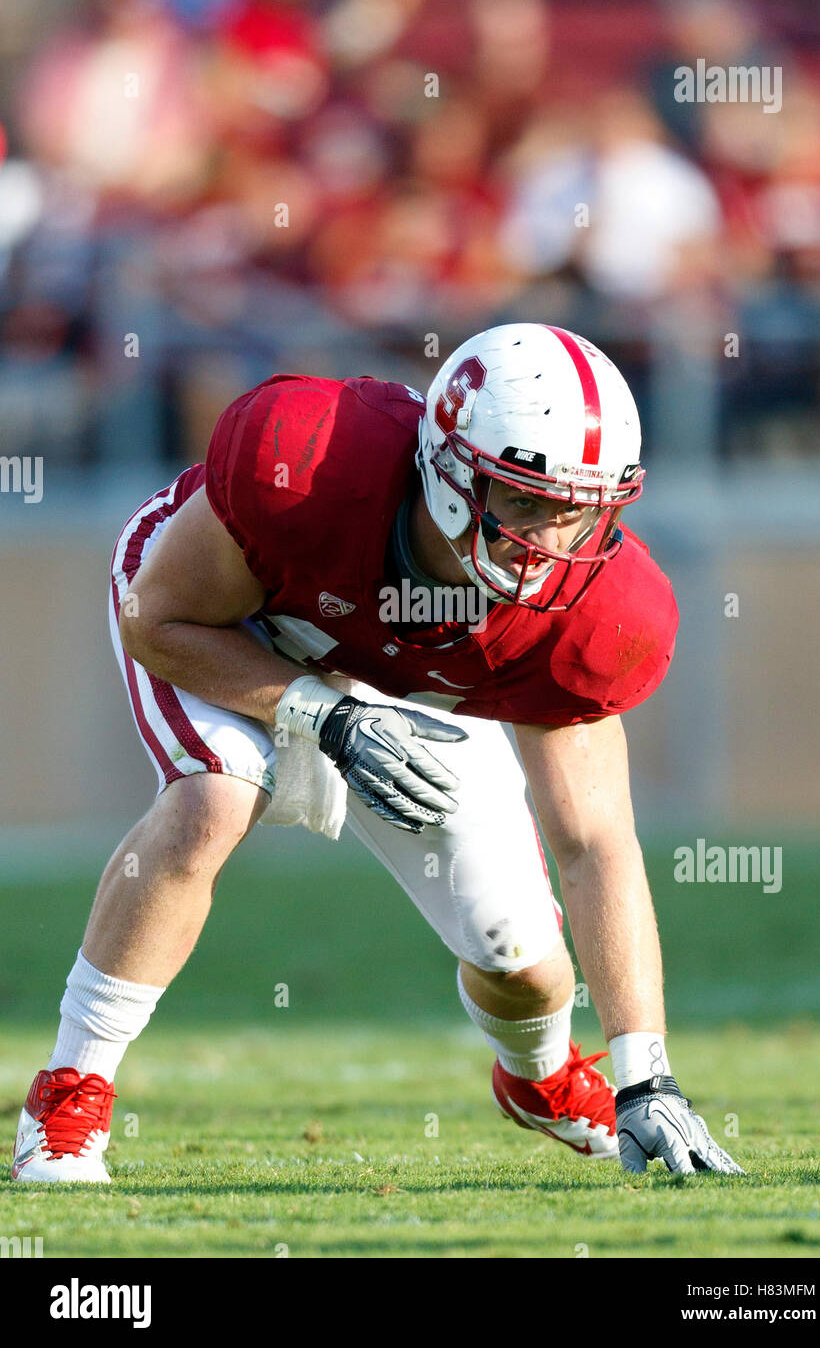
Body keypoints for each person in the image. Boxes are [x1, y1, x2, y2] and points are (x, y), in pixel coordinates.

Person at [11, 322, 743, 1183]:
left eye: (581, 508)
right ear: (448, 470)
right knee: (215, 800)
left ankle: (543, 1079)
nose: (552, 540)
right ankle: (70, 1091)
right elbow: (159, 621)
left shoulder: (596, 614)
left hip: (396, 682)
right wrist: (322, 715)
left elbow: (593, 843)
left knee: (523, 964)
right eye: (525, 502)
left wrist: (645, 1076)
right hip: (233, 623)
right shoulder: (308, 467)